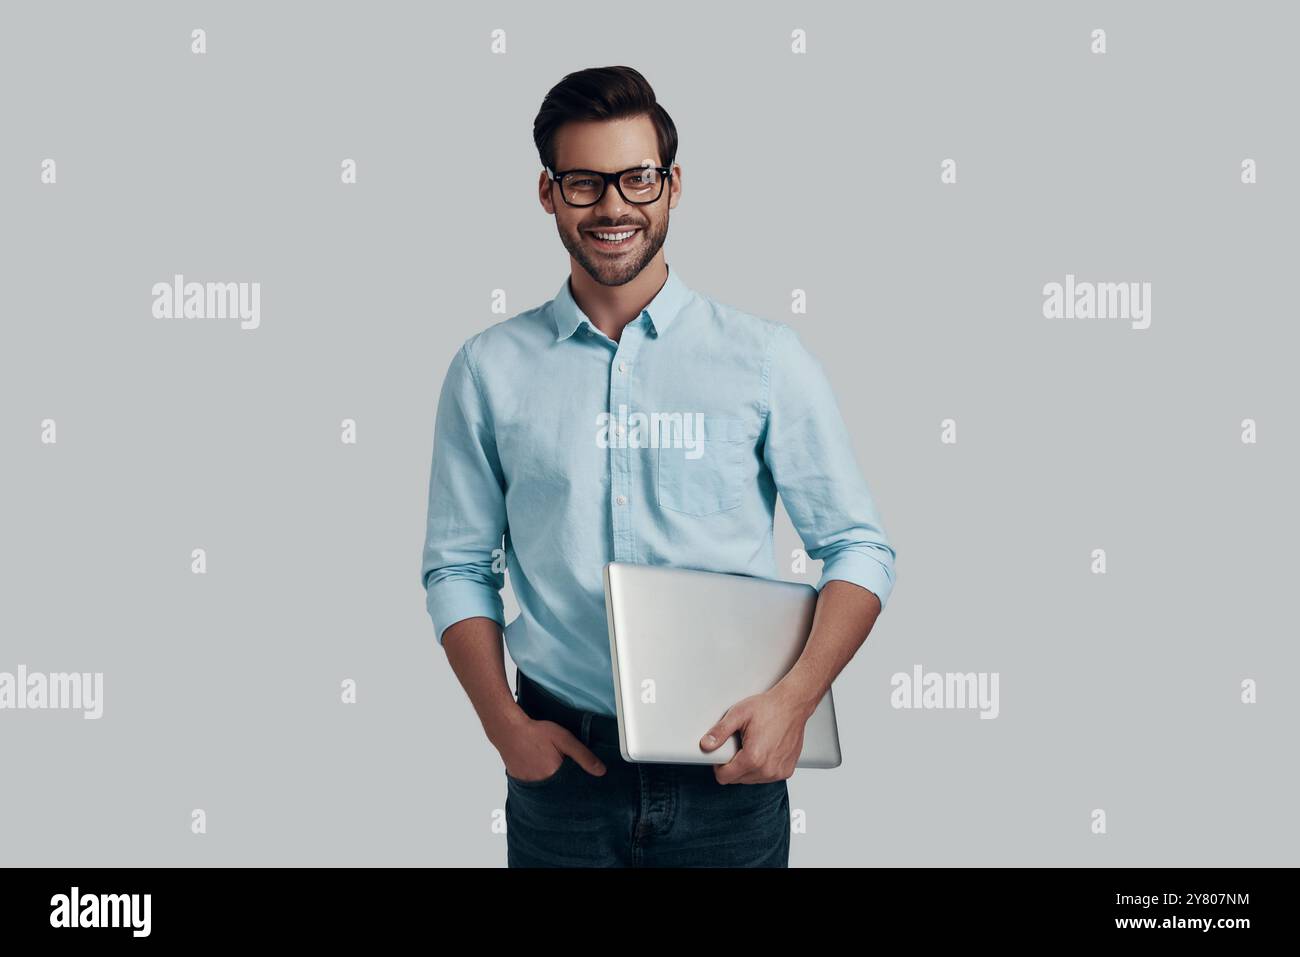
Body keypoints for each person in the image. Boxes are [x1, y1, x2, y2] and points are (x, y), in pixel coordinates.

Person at [420, 65, 896, 867]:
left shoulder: (767, 360)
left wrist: (796, 699)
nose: (613, 206)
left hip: (730, 772)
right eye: (584, 182)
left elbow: (858, 547)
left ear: (673, 185)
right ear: (548, 193)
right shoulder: (486, 370)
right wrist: (506, 727)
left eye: (637, 178)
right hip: (559, 774)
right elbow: (458, 565)